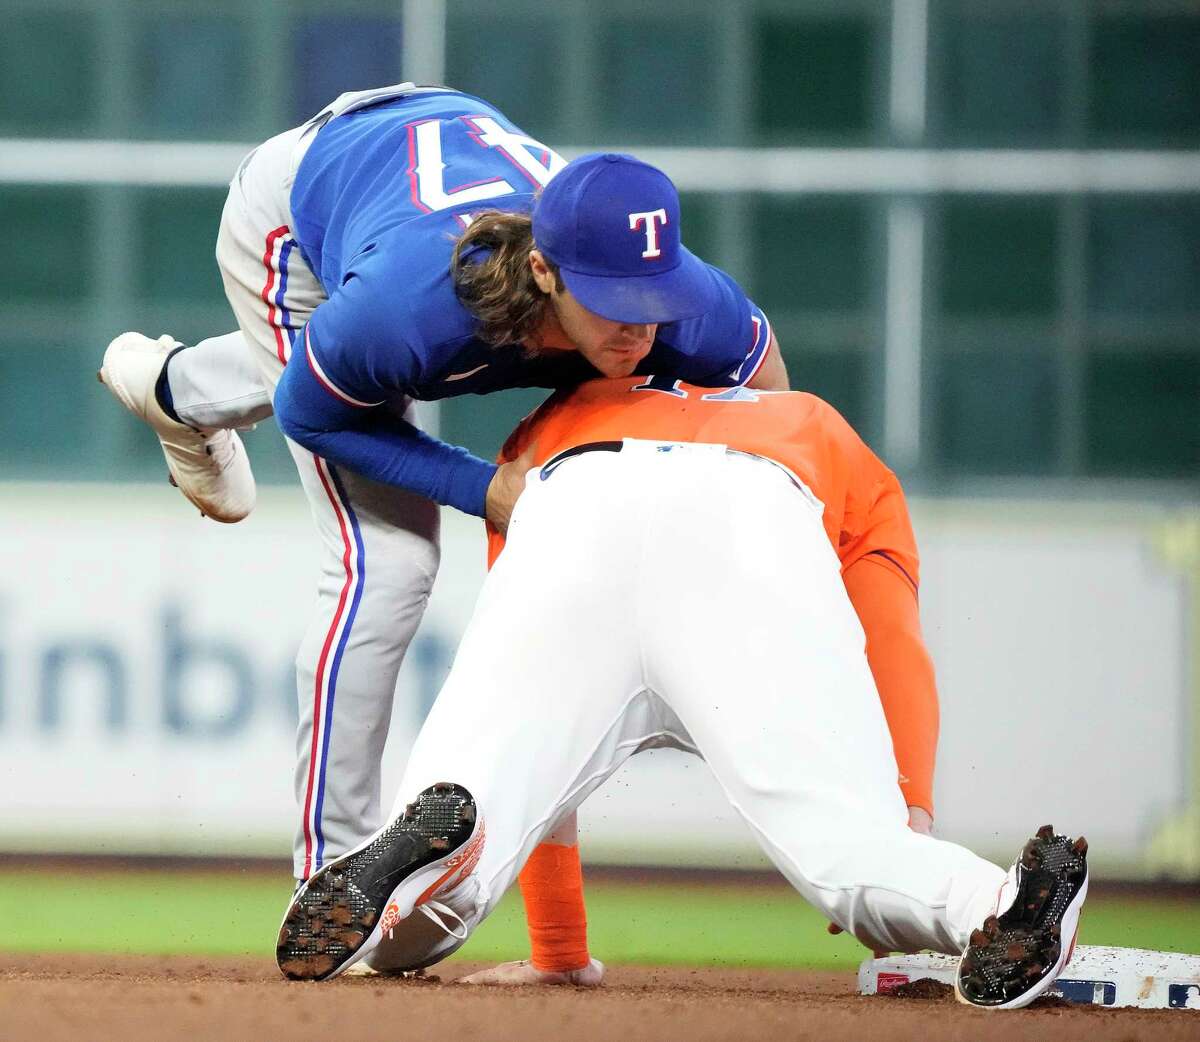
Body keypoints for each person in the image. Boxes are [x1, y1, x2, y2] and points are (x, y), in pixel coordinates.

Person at [97, 83, 787, 889]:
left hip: (422, 165)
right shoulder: (420, 310)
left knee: (355, 363)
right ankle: (332, 875)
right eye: (613, 303)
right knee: (389, 561)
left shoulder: (680, 301)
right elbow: (311, 414)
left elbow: (767, 389)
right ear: (543, 270)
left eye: (654, 297)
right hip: (296, 211)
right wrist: (482, 487)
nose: (640, 327)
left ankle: (174, 388)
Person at [273, 378, 1089, 1010]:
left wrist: (560, 950)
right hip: (756, 510)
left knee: (452, 868)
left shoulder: (567, 409)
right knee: (852, 857)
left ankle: (437, 856)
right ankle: (1005, 899)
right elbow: (893, 640)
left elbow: (542, 758)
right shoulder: (814, 423)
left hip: (575, 491)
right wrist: (907, 810)